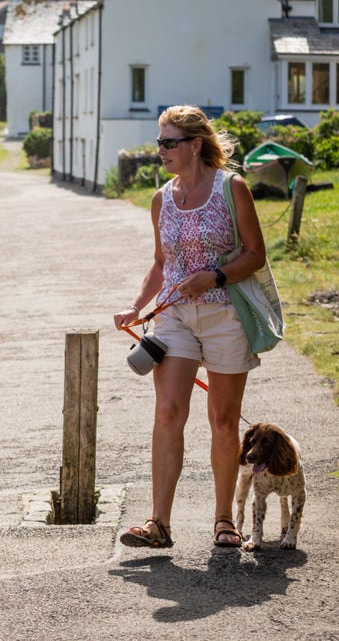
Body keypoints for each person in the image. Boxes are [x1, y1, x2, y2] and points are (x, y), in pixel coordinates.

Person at [113, 104, 267, 550]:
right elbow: (161, 263)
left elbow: (255, 255)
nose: (160, 150)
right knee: (167, 412)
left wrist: (215, 277)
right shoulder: (161, 198)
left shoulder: (231, 188)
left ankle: (224, 520)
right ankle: (158, 523)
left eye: (168, 142)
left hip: (226, 315)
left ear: (195, 145)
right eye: (159, 142)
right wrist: (136, 306)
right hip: (175, 316)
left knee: (222, 419)